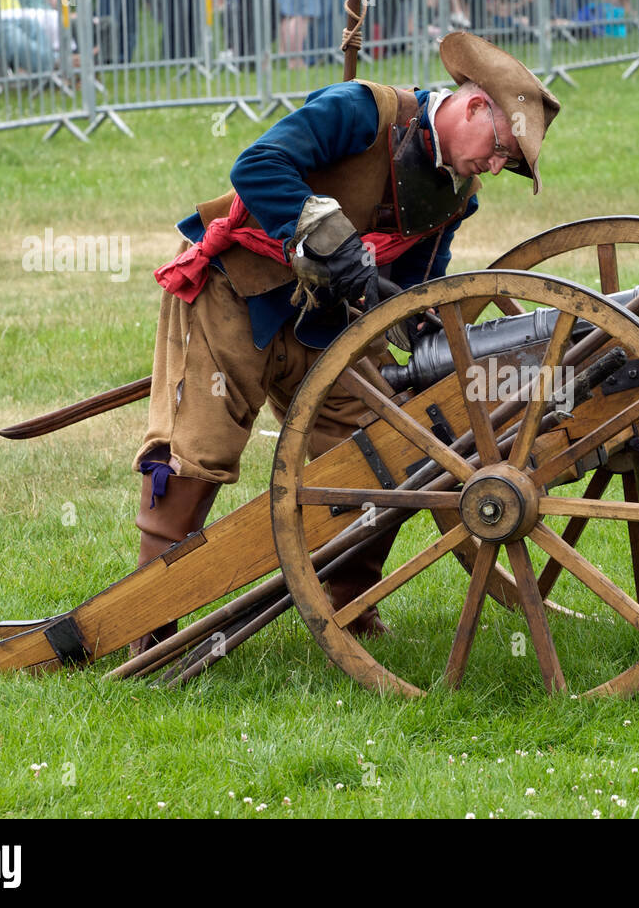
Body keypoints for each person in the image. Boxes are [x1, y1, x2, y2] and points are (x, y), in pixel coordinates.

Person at [129, 33, 560, 656]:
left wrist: (421, 329)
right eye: (500, 150)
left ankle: (347, 600)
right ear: (471, 108)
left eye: (509, 165)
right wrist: (327, 233)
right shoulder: (360, 111)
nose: (495, 168)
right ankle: (148, 616)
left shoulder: (458, 196)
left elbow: (414, 286)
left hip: (329, 320)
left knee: (379, 444)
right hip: (238, 291)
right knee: (201, 443)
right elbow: (255, 168)